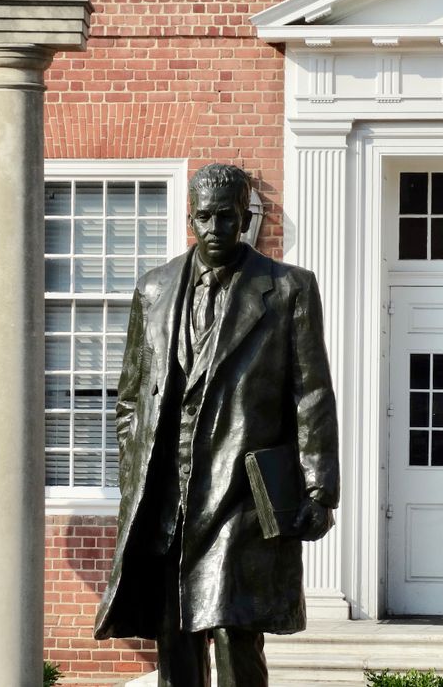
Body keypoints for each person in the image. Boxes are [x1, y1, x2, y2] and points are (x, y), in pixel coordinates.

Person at [93, 163, 340, 687]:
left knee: (234, 628)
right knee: (174, 631)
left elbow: (312, 393)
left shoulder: (288, 288)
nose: (214, 229)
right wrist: (132, 475)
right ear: (190, 217)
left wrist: (320, 491)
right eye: (204, 217)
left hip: (241, 492)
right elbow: (131, 397)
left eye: (226, 217)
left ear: (245, 218)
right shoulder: (154, 289)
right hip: (166, 494)